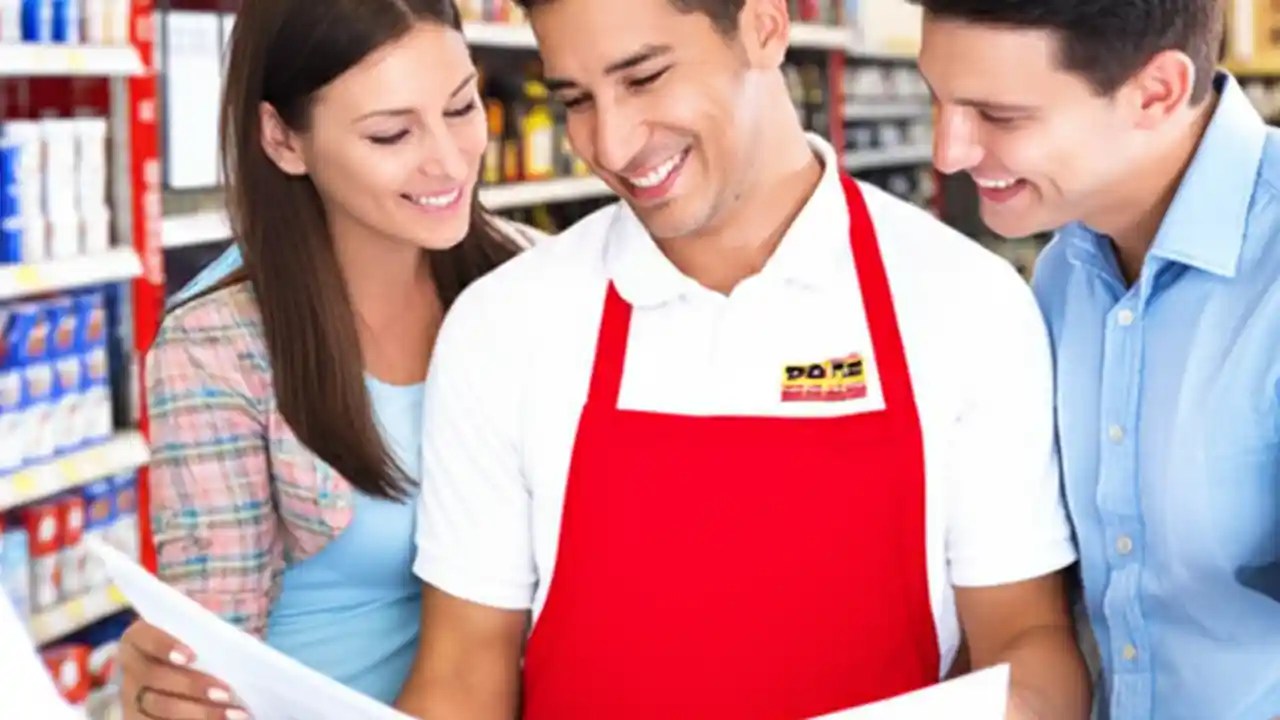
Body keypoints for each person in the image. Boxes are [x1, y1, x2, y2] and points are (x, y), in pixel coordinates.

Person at [119, 0, 1091, 717]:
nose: (613, 144)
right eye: (575, 98)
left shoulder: (964, 305)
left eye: (643, 76)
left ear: (762, 25)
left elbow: (1027, 644)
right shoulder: (512, 320)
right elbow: (464, 669)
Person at [115, 0, 527, 717]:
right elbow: (212, 659)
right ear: (282, 138)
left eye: (462, 108)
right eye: (392, 132)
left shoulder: (533, 280)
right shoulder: (219, 348)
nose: (449, 159)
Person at [911, 1, 1280, 718]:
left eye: (1001, 115)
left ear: (1157, 92)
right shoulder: (1062, 276)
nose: (947, 152)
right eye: (938, 98)